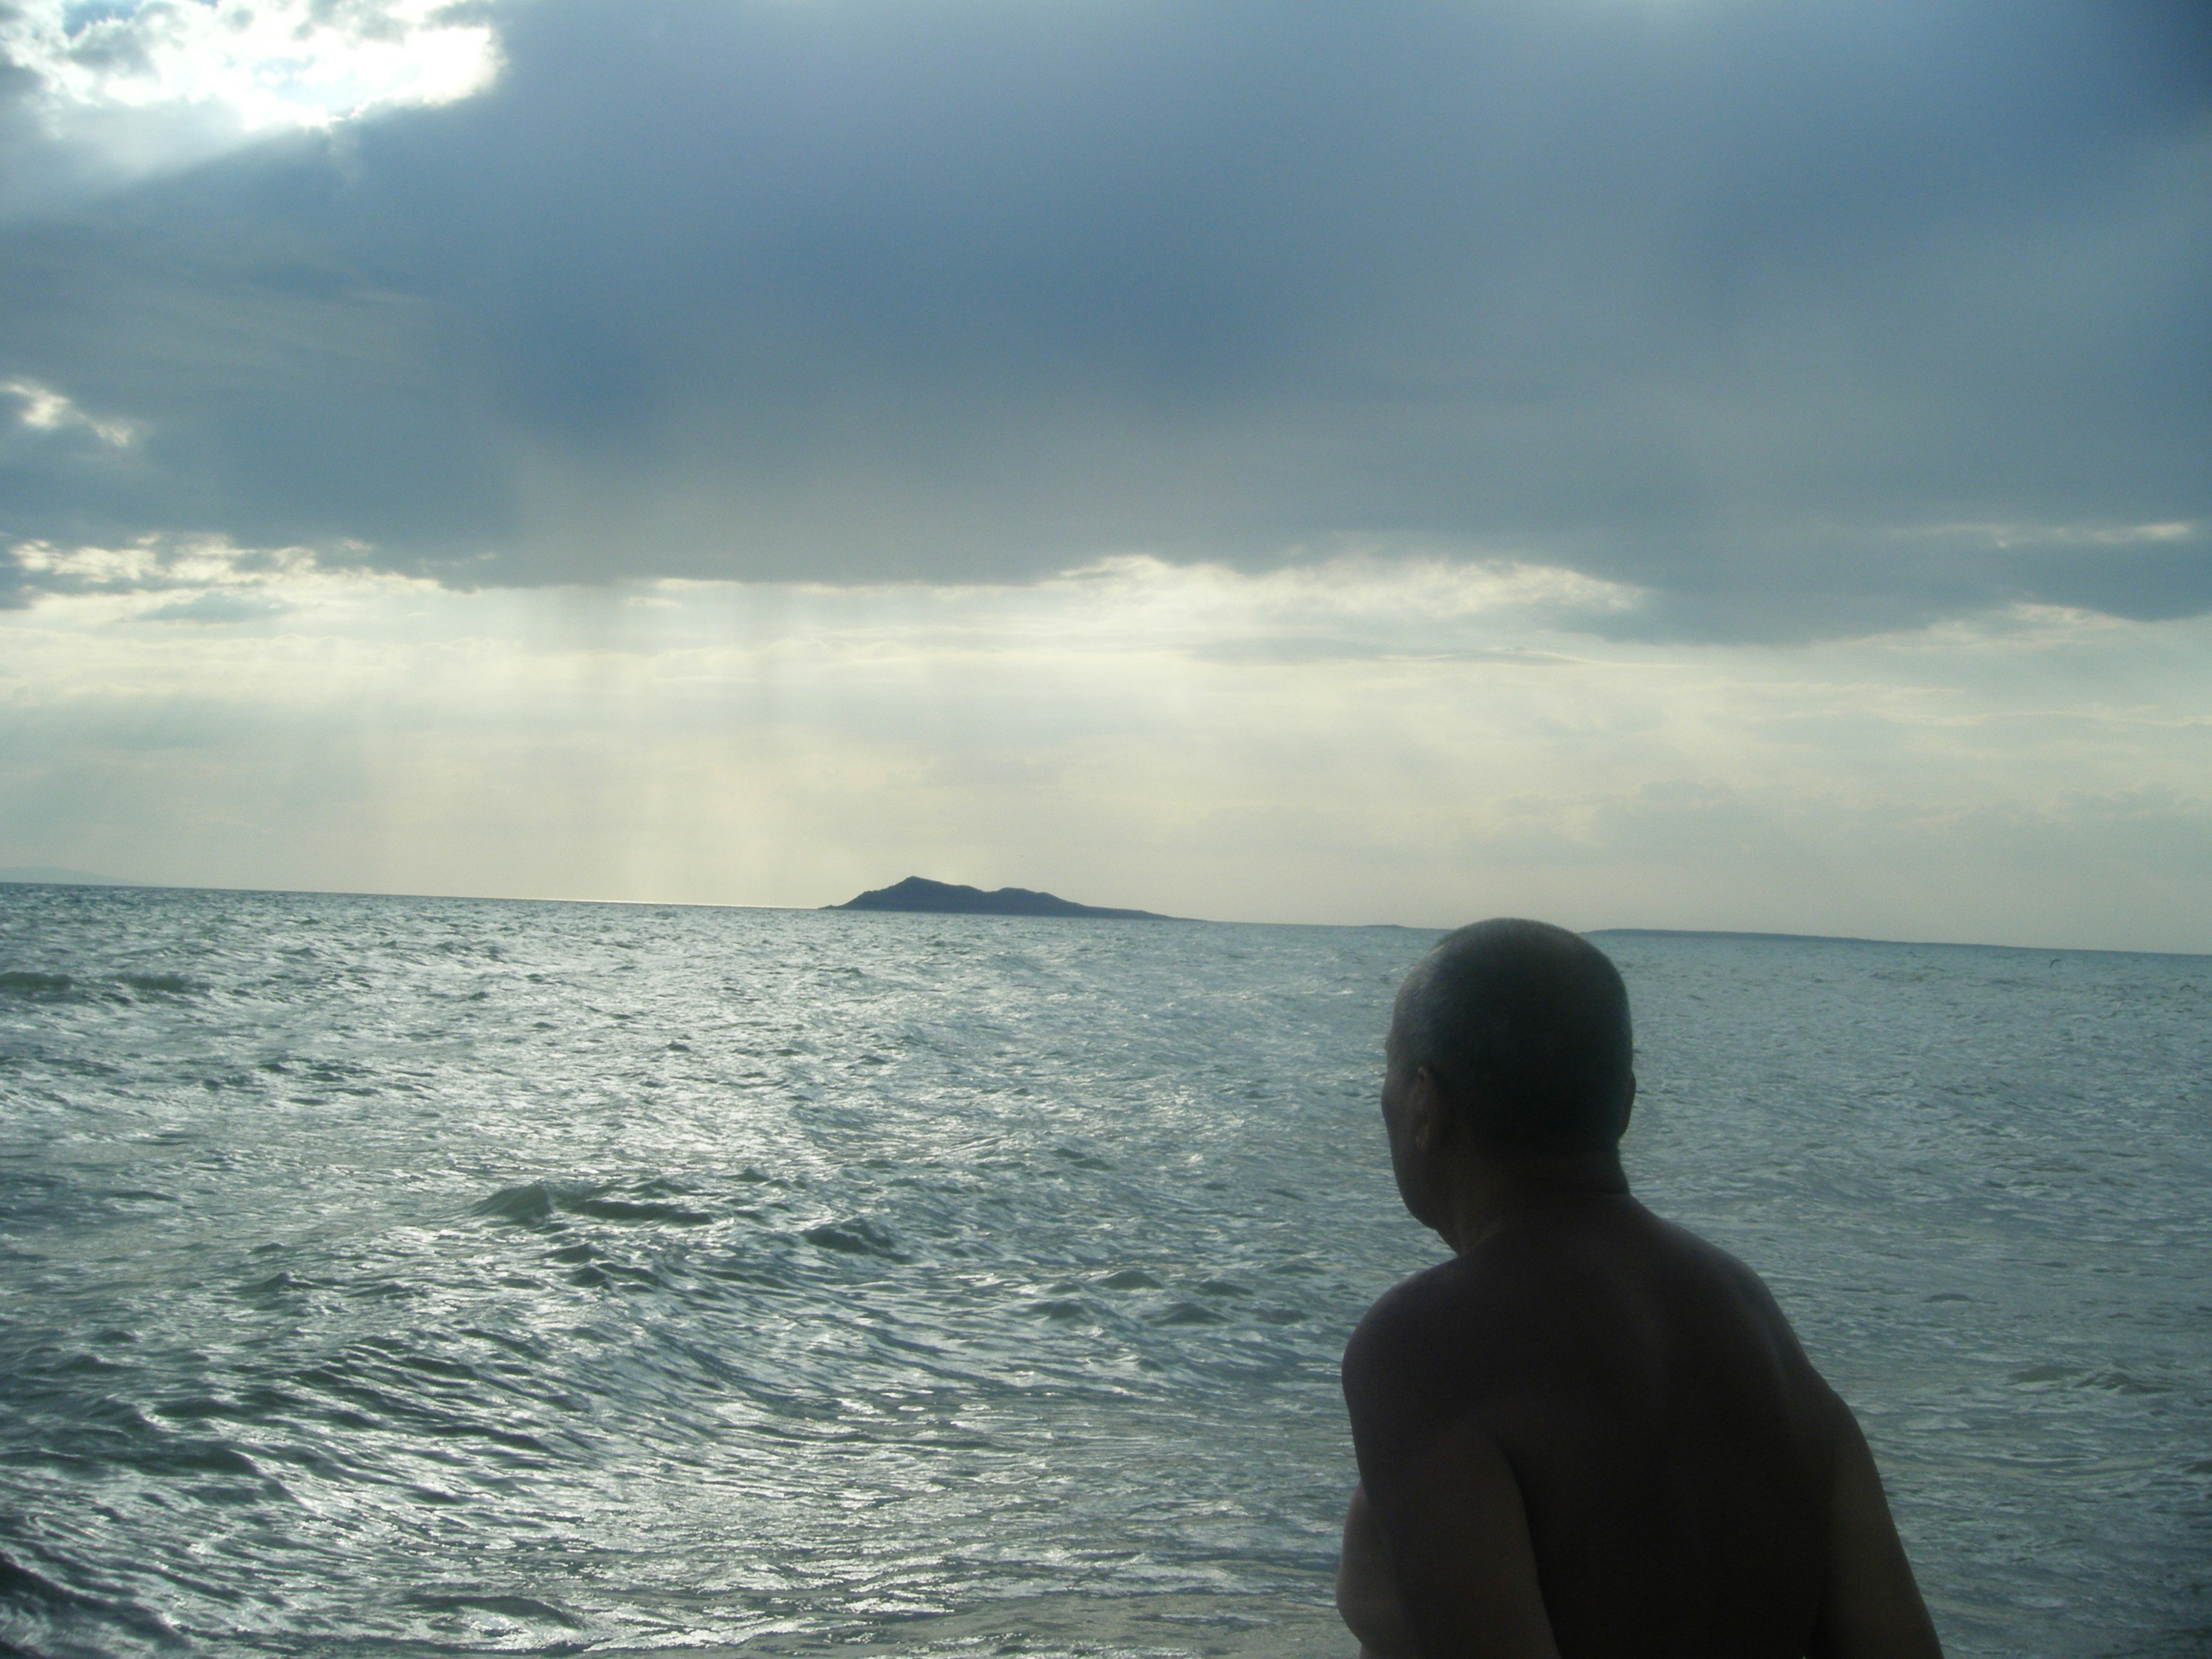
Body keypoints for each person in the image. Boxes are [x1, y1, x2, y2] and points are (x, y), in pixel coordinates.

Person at [1336, 919, 1943, 1659]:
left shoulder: (1423, 1344)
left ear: (1426, 1106)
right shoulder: (1755, 1322)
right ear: (1623, 1104)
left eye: (1390, 1070)